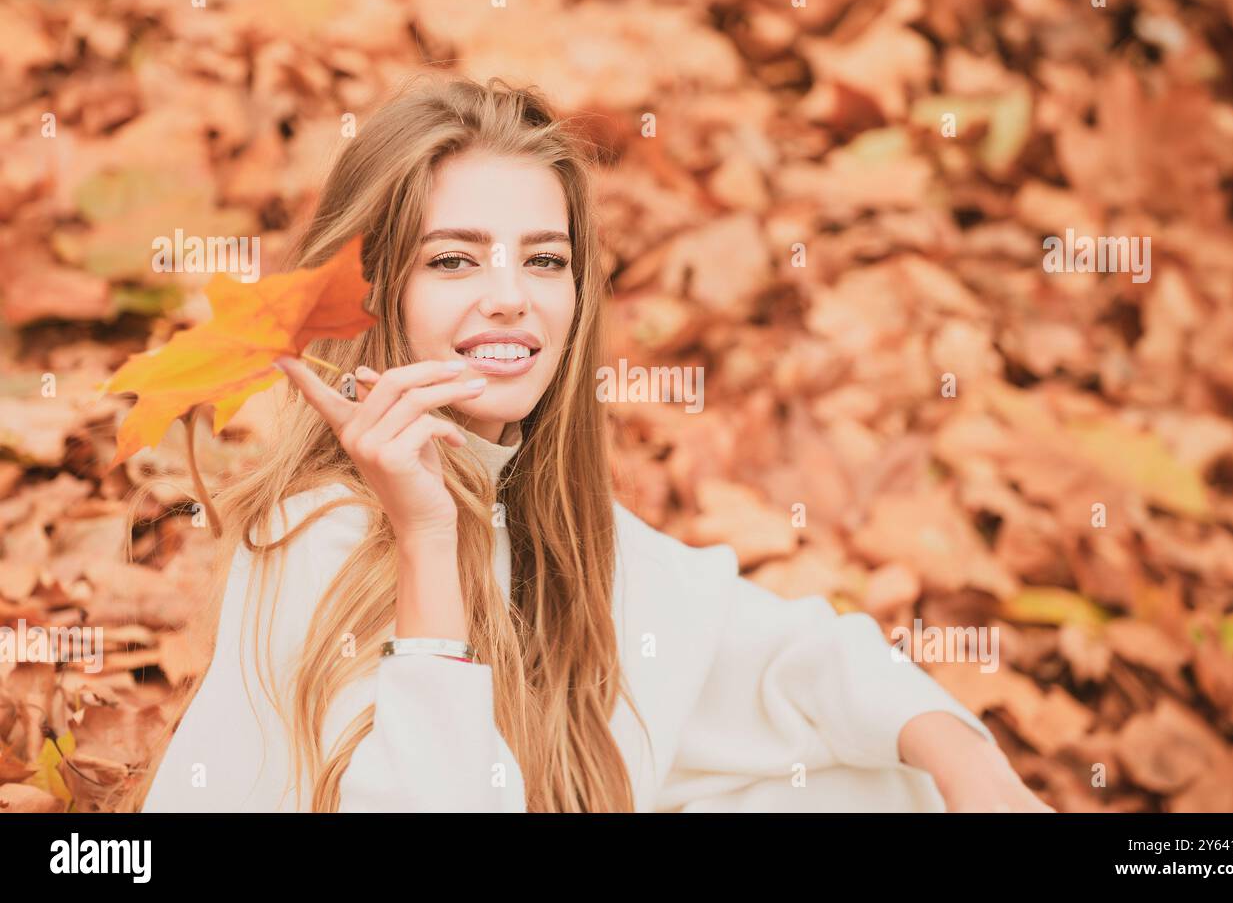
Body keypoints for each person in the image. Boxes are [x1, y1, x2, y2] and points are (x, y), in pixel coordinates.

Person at [135, 75, 1050, 813]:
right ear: (375, 296)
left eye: (544, 259)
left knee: (877, 784)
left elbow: (789, 653)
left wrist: (968, 762)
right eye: (454, 259)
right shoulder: (321, 535)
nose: (510, 296)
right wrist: (424, 540)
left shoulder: (543, 517)